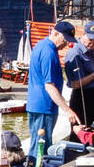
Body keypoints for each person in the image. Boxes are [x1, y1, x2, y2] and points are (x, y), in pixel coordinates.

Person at [26, 21, 81, 149]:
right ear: (56, 34)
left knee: (42, 143)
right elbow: (49, 86)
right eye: (65, 39)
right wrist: (68, 111)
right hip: (43, 107)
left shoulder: (43, 46)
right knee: (40, 146)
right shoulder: (48, 53)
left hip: (40, 105)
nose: (67, 44)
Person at [64, 21, 94, 129]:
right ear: (83, 35)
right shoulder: (75, 53)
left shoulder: (90, 51)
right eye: (90, 39)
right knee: (80, 133)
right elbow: (76, 84)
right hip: (82, 98)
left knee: (93, 131)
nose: (92, 43)